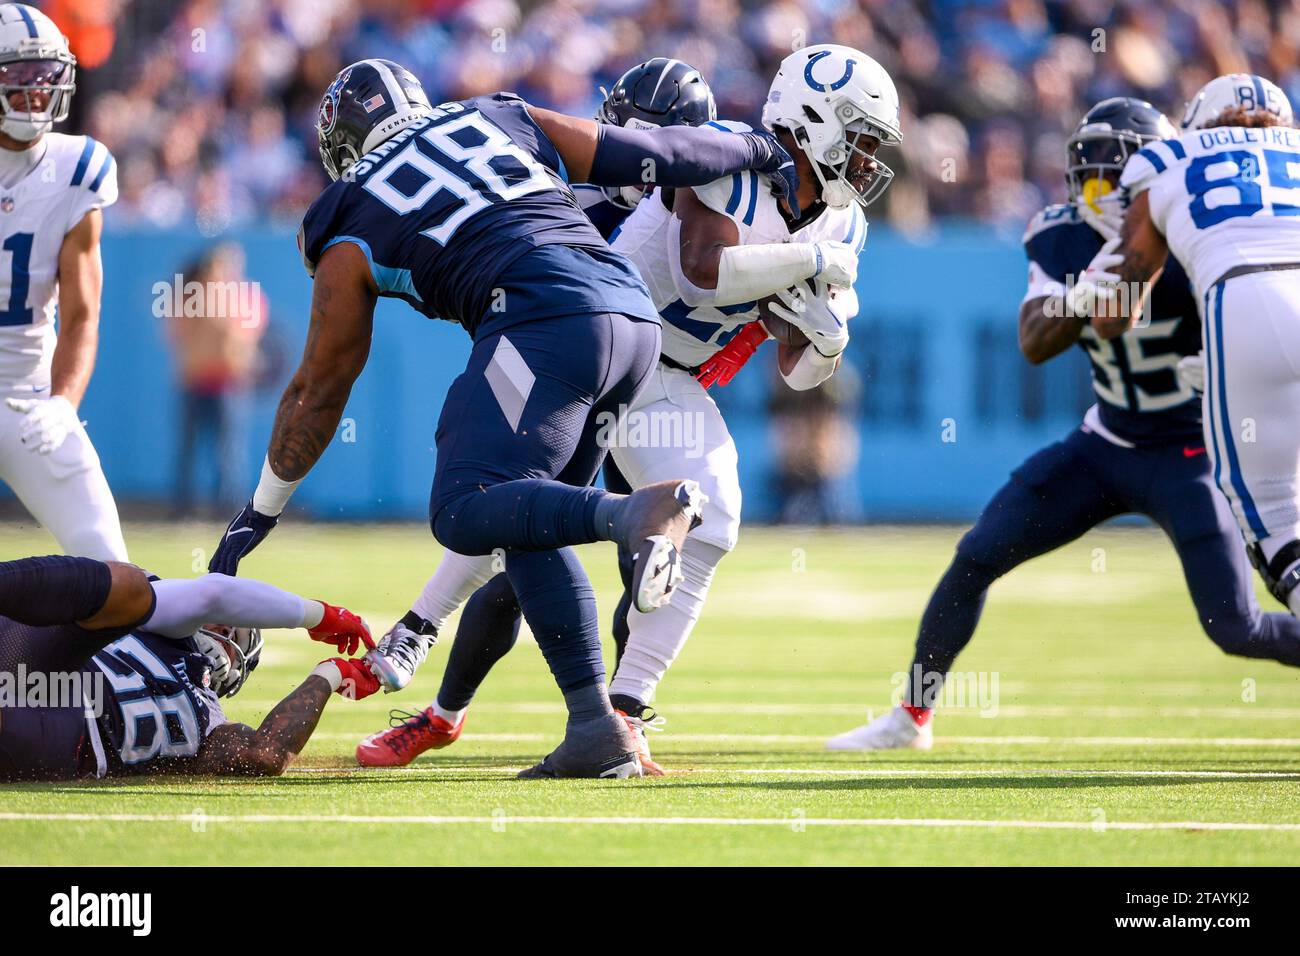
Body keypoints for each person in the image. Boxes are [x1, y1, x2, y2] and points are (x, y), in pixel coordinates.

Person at [206, 58, 807, 779]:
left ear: (341, 147)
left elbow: (320, 386)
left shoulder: (343, 214)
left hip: (543, 318)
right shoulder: (494, 115)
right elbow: (655, 154)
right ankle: (594, 730)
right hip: (630, 317)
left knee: (467, 506)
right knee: (526, 521)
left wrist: (261, 510)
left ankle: (638, 514)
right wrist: (756, 147)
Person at [358, 44, 892, 773]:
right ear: (814, 119)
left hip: (666, 379)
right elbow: (704, 275)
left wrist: (827, 341)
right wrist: (807, 265)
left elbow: (798, 367)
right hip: (601, 347)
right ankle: (425, 651)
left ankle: (621, 710)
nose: (867, 160)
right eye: (858, 137)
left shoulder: (839, 223)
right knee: (519, 518)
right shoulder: (733, 163)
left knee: (697, 521)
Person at [828, 96, 1300, 752]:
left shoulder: (1197, 234)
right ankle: (912, 717)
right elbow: (1034, 339)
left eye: (1114, 177)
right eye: (1089, 175)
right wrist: (1078, 296)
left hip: (1191, 452)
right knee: (975, 558)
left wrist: (1208, 365)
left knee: (1236, 626)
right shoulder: (1062, 235)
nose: (1097, 193)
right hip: (1105, 441)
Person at [1101, 74, 1300, 622]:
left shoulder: (1167, 157)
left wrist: (1097, 286)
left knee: (1278, 525)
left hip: (1244, 299)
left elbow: (1114, 316)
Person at [0, 554, 377, 780]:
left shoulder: (211, 726)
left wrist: (330, 674)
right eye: (223, 621)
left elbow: (265, 754)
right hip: (44, 665)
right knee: (128, 583)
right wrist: (317, 615)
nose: (222, 628)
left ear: (236, 672)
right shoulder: (164, 625)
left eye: (234, 633)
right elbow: (212, 595)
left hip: (66, 741)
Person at [0, 4, 125, 561]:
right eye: (19, 77)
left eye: (45, 76)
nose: (35, 91)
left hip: (29, 396)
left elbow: (81, 315)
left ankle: (208, 644)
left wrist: (63, 402)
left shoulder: (79, 167)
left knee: (113, 568)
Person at [167, 242, 267, 517]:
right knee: (188, 451)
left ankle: (228, 510)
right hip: (195, 382)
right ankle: (183, 509)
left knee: (229, 453)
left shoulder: (245, 296)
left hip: (228, 384)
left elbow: (242, 336)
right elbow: (179, 331)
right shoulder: (192, 295)